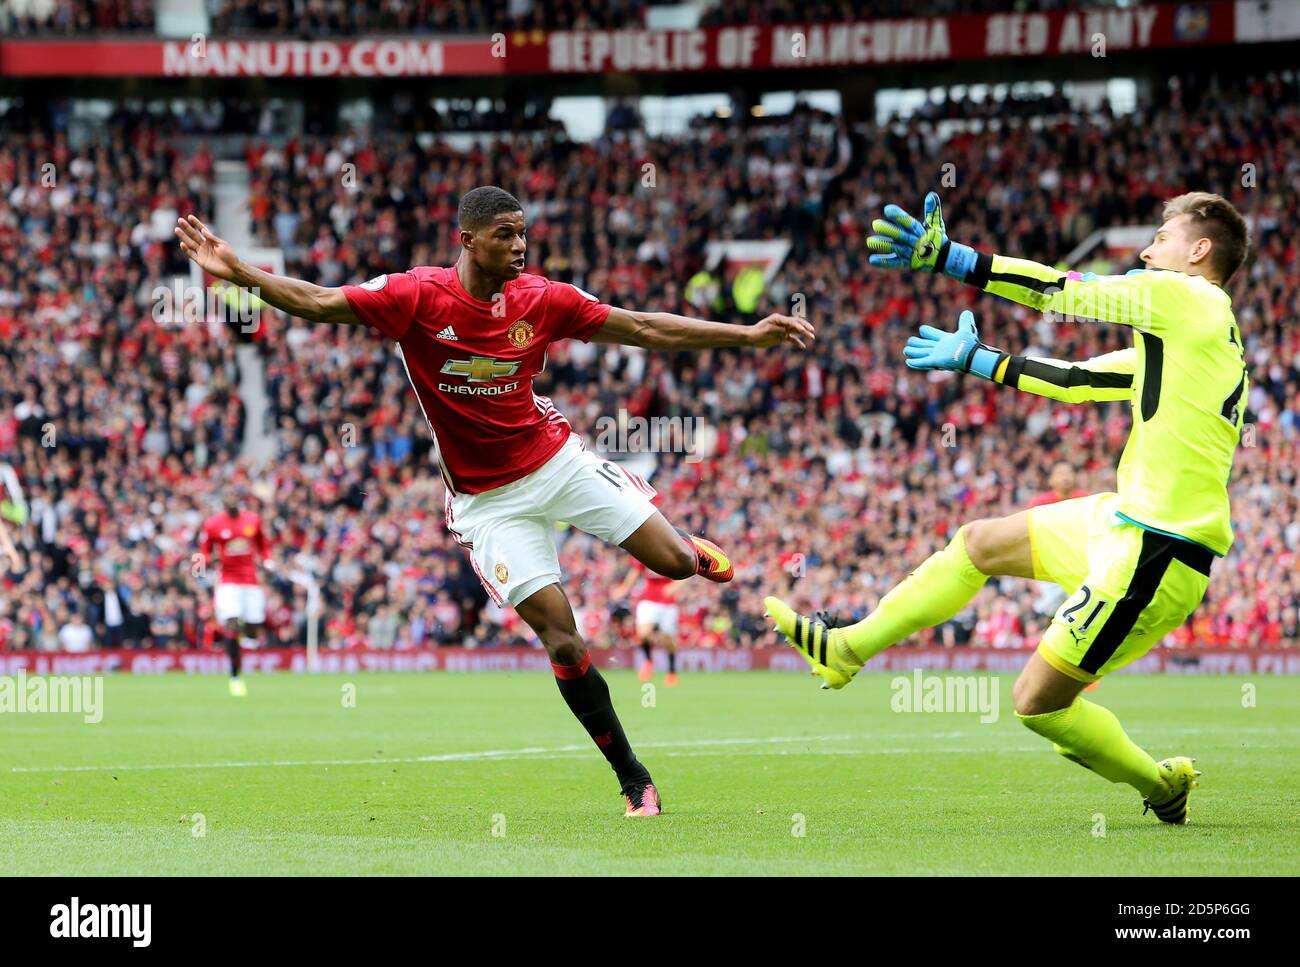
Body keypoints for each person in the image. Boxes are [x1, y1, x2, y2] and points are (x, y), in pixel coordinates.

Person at [176, 185, 813, 816]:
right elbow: (316, 301)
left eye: (523, 233)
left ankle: (687, 551)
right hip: (488, 504)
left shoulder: (541, 298)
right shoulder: (415, 296)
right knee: (564, 644)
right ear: (468, 240)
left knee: (673, 564)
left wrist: (748, 337)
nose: (519, 246)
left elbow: (644, 326)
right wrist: (239, 274)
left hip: (556, 461)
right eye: (505, 234)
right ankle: (633, 778)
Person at [768, 190, 1250, 826]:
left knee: (1037, 703)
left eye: (1161, 236)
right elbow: (1076, 382)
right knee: (977, 543)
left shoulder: (1191, 299)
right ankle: (847, 648)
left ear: (1199, 249)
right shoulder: (1191, 336)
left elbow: (1061, 291)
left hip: (1158, 547)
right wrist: (978, 359)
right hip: (1124, 521)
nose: (1145, 249)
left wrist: (953, 259)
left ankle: (1161, 785)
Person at [200, 490, 275, 696]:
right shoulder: (213, 524)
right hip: (228, 581)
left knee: (252, 629)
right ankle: (235, 676)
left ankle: (238, 640)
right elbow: (204, 549)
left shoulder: (253, 520)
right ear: (223, 504)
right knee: (232, 623)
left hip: (250, 581)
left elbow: (263, 544)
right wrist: (203, 563)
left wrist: (268, 560)